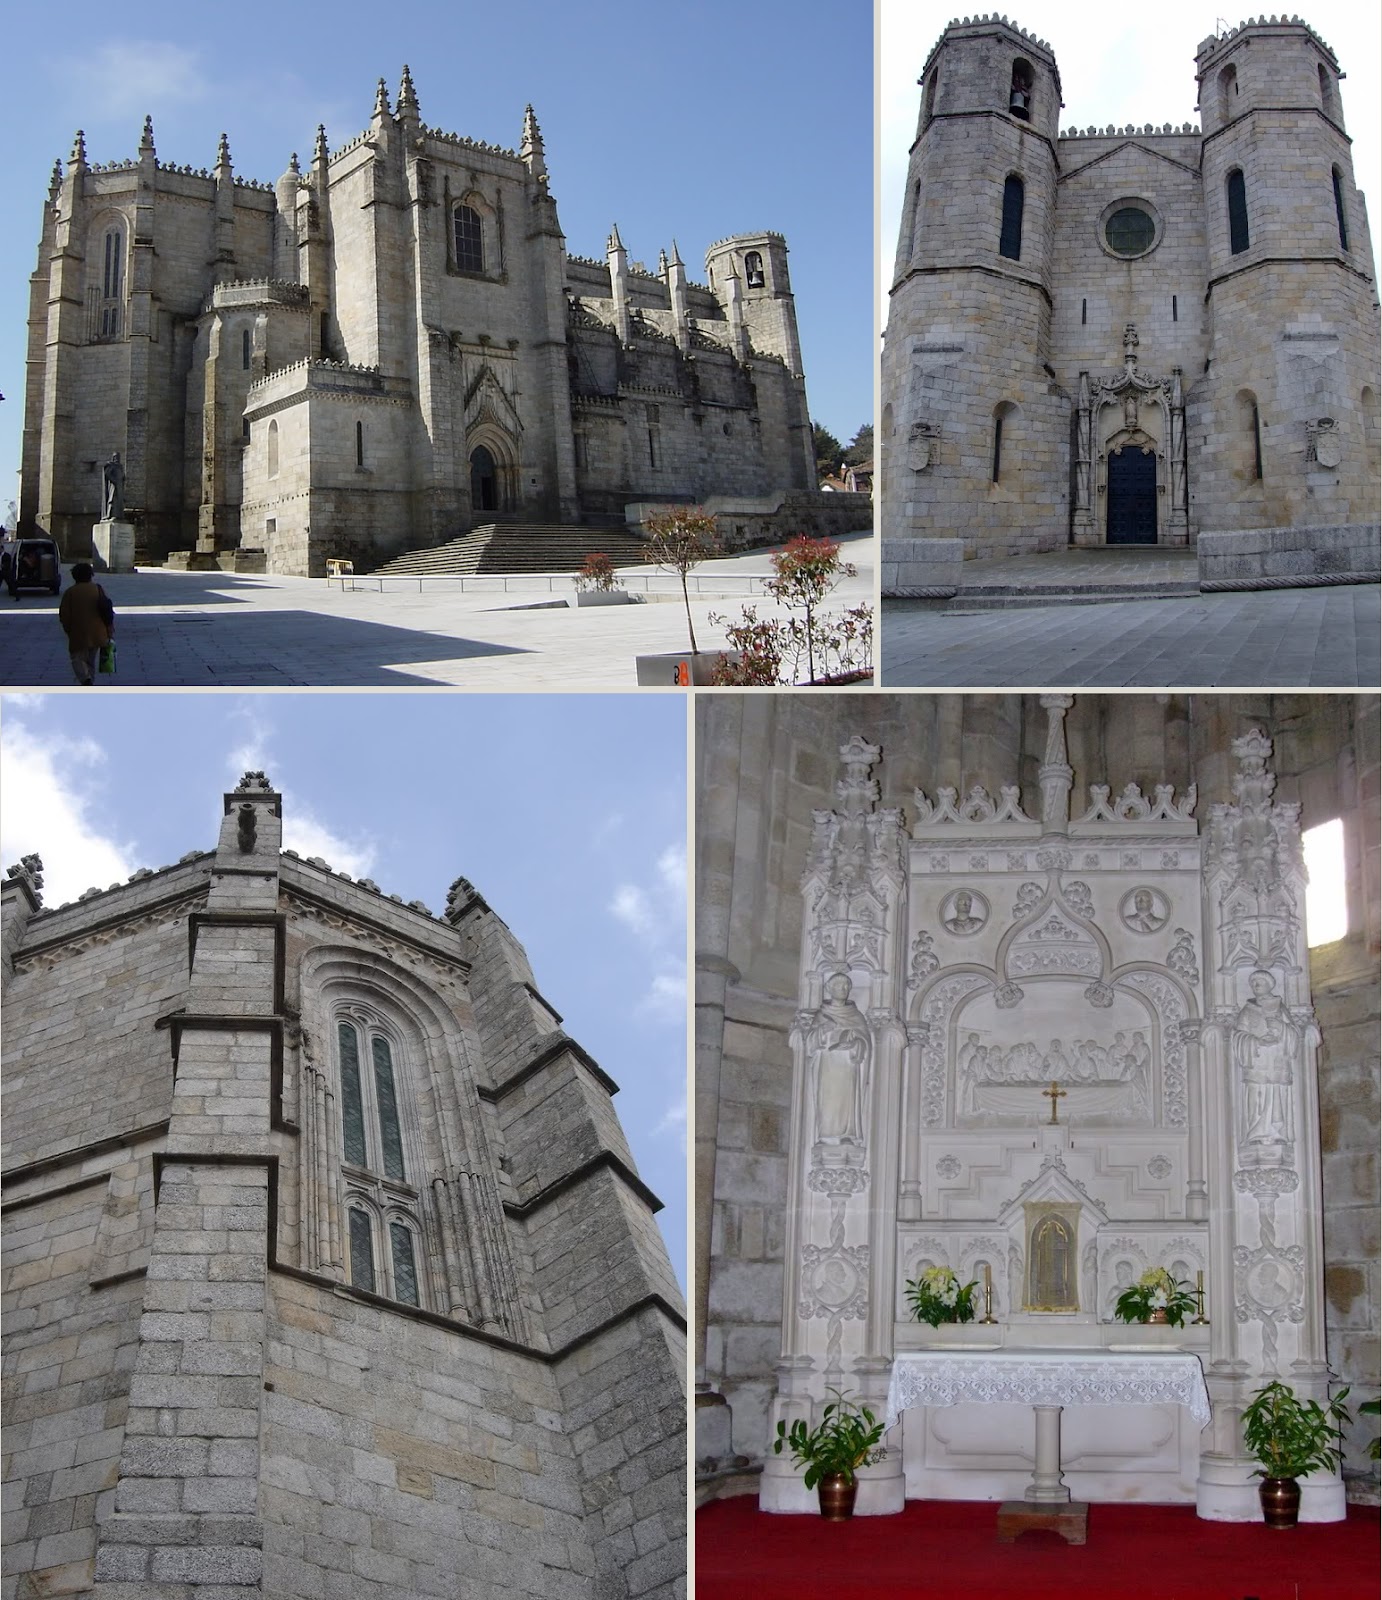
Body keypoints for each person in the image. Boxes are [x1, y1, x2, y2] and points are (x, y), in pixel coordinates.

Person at [58, 563, 115, 684]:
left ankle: (85, 679)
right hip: (98, 632)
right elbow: (106, 608)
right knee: (90, 660)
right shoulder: (98, 589)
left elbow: (64, 615)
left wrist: (68, 629)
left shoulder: (70, 592)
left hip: (78, 632)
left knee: (77, 658)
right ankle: (90, 682)